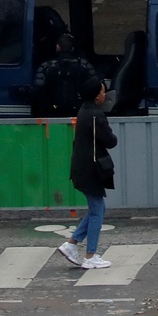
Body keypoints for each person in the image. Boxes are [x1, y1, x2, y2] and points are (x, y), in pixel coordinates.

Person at [60, 78, 116, 270]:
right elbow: (110, 141)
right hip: (91, 170)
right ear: (95, 95)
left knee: (97, 209)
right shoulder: (96, 116)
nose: (104, 94)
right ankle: (90, 255)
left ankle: (71, 244)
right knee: (97, 211)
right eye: (102, 91)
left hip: (82, 168)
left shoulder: (84, 111)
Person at [33, 33, 97, 116]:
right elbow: (96, 86)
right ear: (73, 48)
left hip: (52, 113)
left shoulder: (46, 67)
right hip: (78, 112)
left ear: (57, 47)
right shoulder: (84, 65)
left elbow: (38, 89)